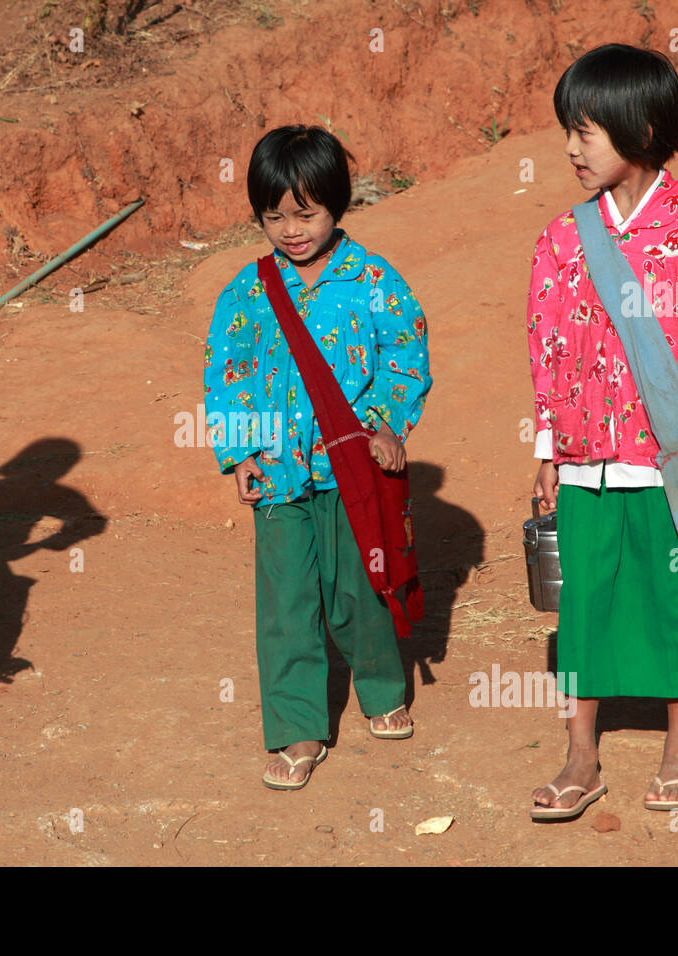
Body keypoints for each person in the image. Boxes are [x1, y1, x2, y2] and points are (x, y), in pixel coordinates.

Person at [526, 44, 678, 819]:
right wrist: (546, 446)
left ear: (641, 128)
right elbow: (545, 342)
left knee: (676, 599)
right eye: (569, 130)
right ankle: (580, 755)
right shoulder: (562, 238)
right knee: (586, 607)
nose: (572, 148)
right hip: (584, 465)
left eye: (587, 131)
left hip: (671, 461)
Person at [204, 125, 432, 790]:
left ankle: (384, 687)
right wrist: (239, 451)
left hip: (350, 469)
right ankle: (297, 727)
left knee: (357, 588)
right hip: (277, 473)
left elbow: (406, 353)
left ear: (337, 204)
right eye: (273, 216)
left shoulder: (373, 280)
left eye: (305, 213)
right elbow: (228, 374)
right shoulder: (246, 293)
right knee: (284, 603)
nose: (290, 230)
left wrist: (388, 423)